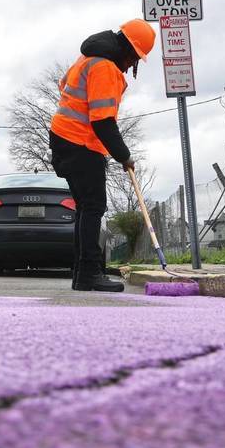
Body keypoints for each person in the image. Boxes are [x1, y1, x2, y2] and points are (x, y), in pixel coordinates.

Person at [49, 19, 156, 292]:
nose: (132, 64)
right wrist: (124, 156)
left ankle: (82, 274)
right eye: (134, 58)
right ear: (128, 50)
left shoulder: (85, 59)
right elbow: (103, 121)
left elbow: (64, 87)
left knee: (86, 208)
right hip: (81, 143)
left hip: (64, 139)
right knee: (93, 207)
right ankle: (88, 274)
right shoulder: (105, 67)